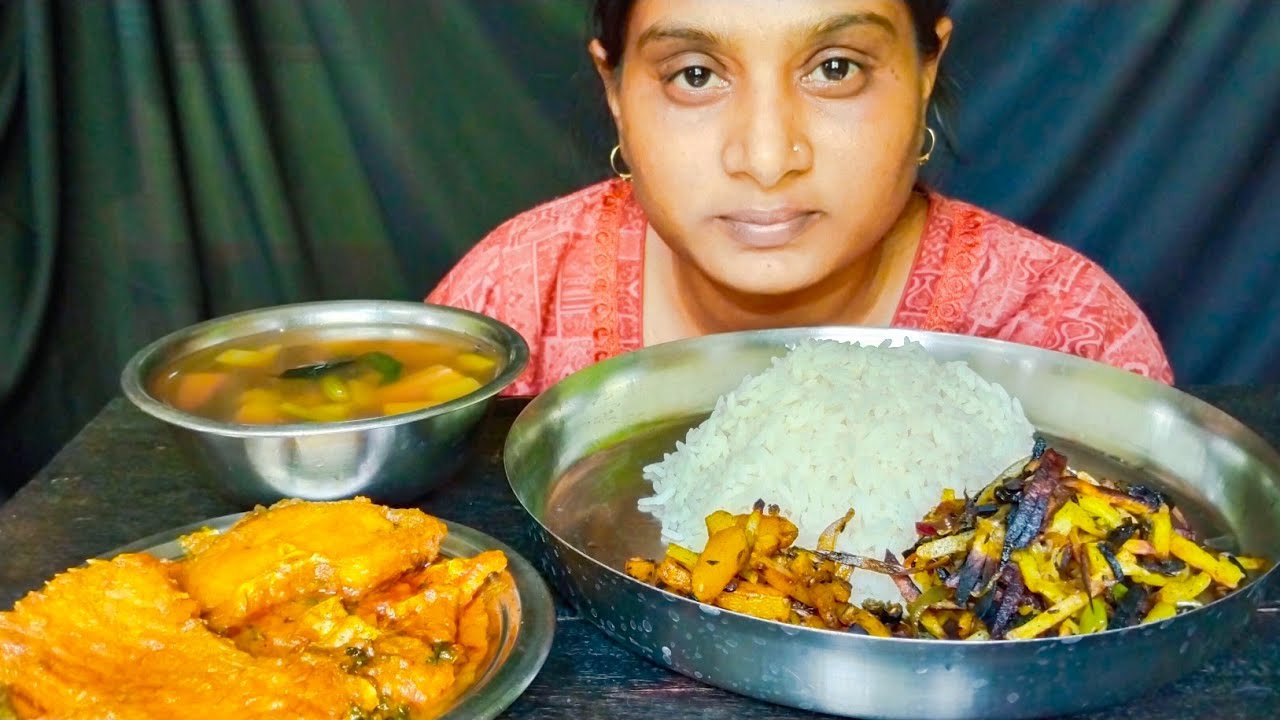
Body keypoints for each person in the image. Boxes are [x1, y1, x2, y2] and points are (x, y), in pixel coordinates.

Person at [428, 0, 1173, 395]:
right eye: (695, 75)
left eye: (837, 68)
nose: (765, 157)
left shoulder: (1064, 340)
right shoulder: (508, 308)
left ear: (922, 70)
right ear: (615, 89)